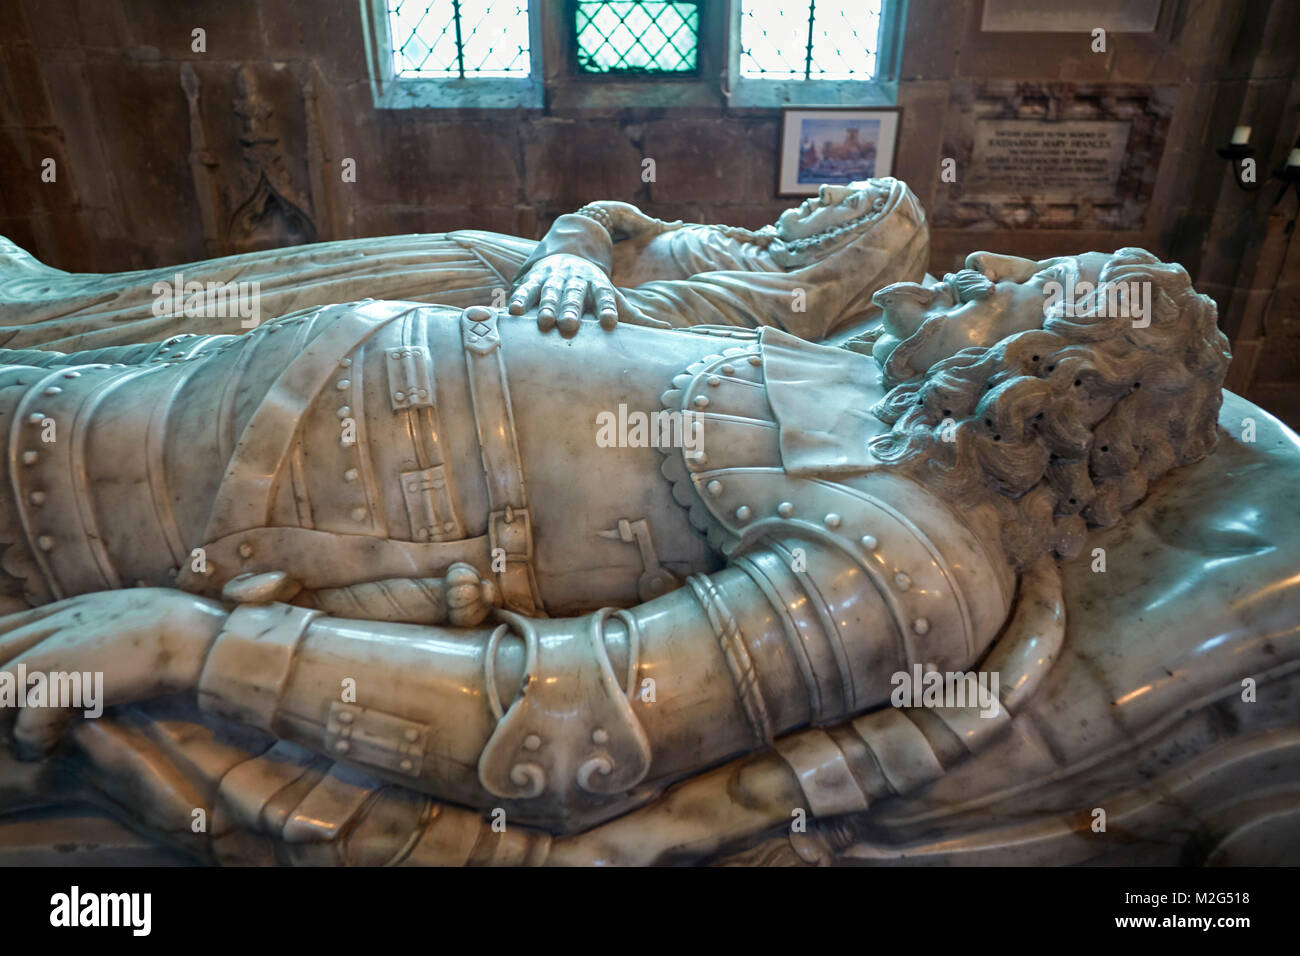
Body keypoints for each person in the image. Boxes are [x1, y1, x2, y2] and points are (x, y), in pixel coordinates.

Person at [0, 247, 1229, 864]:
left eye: (1010, 289)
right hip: (216, 387)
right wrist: (586, 261)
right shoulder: (879, 376)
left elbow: (566, 721)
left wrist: (195, 644)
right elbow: (674, 305)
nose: (969, 272)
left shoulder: (909, 568)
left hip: (177, 518)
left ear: (1048, 389)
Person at [0, 178, 926, 351]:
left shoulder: (773, 297)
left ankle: (56, 342)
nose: (817, 204)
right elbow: (602, 212)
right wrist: (577, 254)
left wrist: (589, 279)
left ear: (857, 246)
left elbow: (663, 336)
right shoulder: (738, 241)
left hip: (475, 307)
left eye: (846, 209)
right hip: (482, 261)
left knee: (249, 321)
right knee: (266, 286)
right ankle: (54, 307)